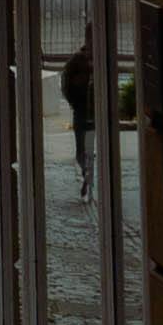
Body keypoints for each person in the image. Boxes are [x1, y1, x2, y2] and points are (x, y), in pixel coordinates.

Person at [61, 31, 97, 201]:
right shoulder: (99, 59)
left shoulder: (77, 59)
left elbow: (65, 83)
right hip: (91, 112)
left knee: (82, 150)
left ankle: (86, 173)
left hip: (83, 111)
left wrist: (73, 101)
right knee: (87, 149)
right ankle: (87, 173)